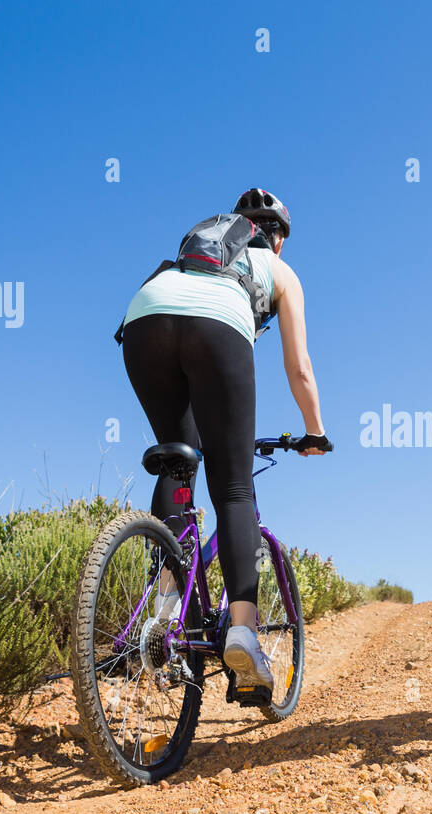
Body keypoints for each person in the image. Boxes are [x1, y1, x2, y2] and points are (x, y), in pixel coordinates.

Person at [120, 188, 332, 694]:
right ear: (277, 241)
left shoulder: (197, 252)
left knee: (179, 464)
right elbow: (299, 367)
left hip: (144, 316)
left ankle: (163, 619)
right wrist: (316, 432)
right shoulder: (280, 271)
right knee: (234, 488)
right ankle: (243, 633)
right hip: (216, 323)